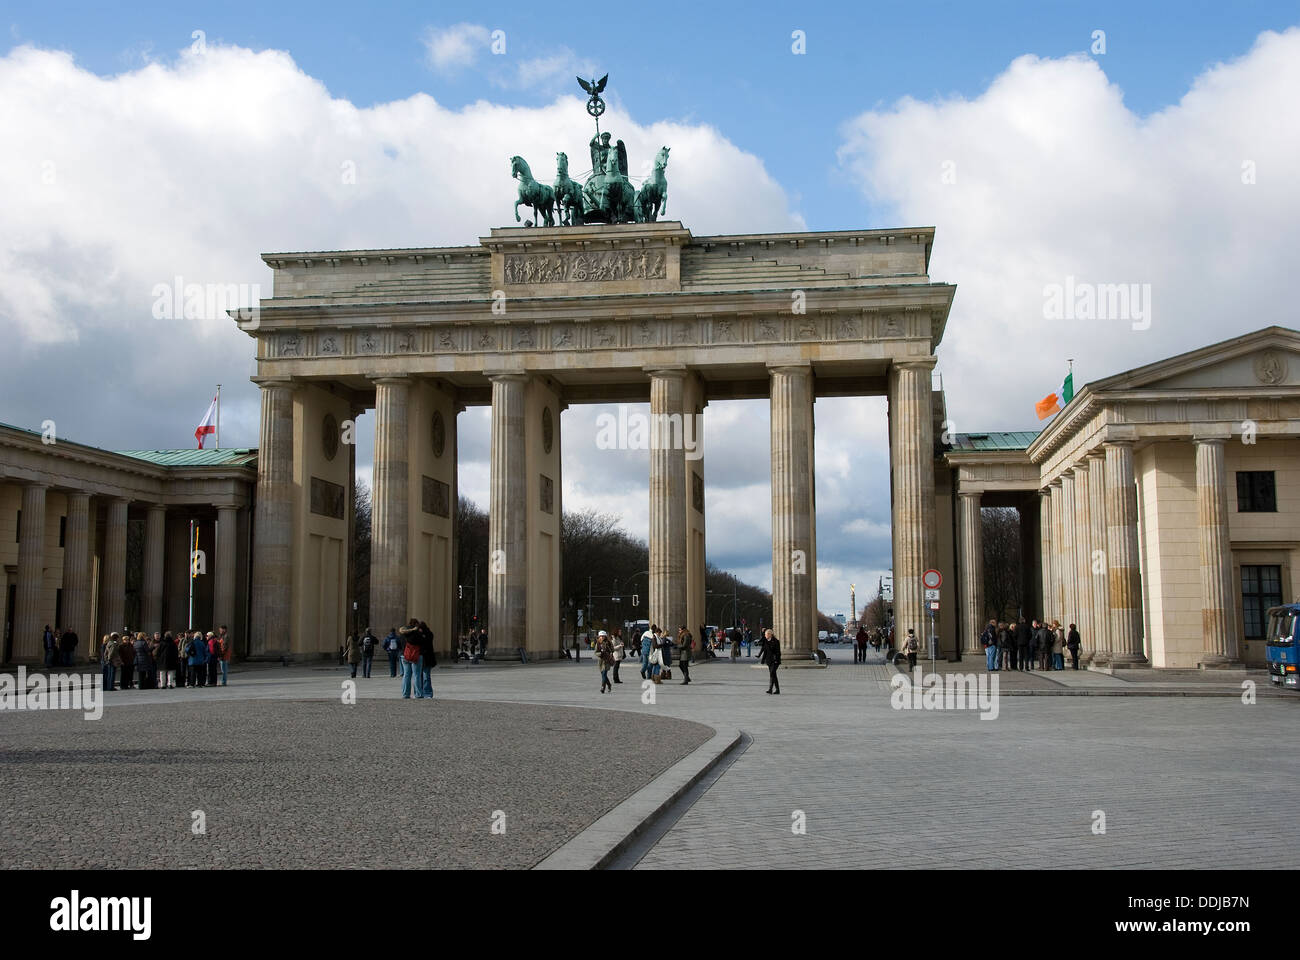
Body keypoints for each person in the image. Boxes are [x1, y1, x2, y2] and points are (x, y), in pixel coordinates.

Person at [398, 620, 420, 698]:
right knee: (416, 675)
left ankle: (405, 694)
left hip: (404, 655)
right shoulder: (416, 633)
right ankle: (418, 694)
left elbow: (398, 641)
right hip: (414, 655)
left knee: (406, 675)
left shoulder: (403, 633)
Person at [417, 620, 436, 699]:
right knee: (425, 676)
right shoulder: (429, 634)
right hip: (427, 658)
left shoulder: (426, 635)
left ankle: (426, 693)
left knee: (425, 676)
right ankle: (425, 692)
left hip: (425, 658)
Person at [760, 628, 781, 694]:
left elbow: (778, 652)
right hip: (769, 661)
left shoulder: (776, 641)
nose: (765, 635)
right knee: (773, 675)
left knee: (772, 673)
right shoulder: (766, 641)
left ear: (770, 634)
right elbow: (765, 651)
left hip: (775, 661)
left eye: (766, 634)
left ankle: (770, 689)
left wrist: (776, 659)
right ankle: (777, 690)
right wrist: (763, 660)